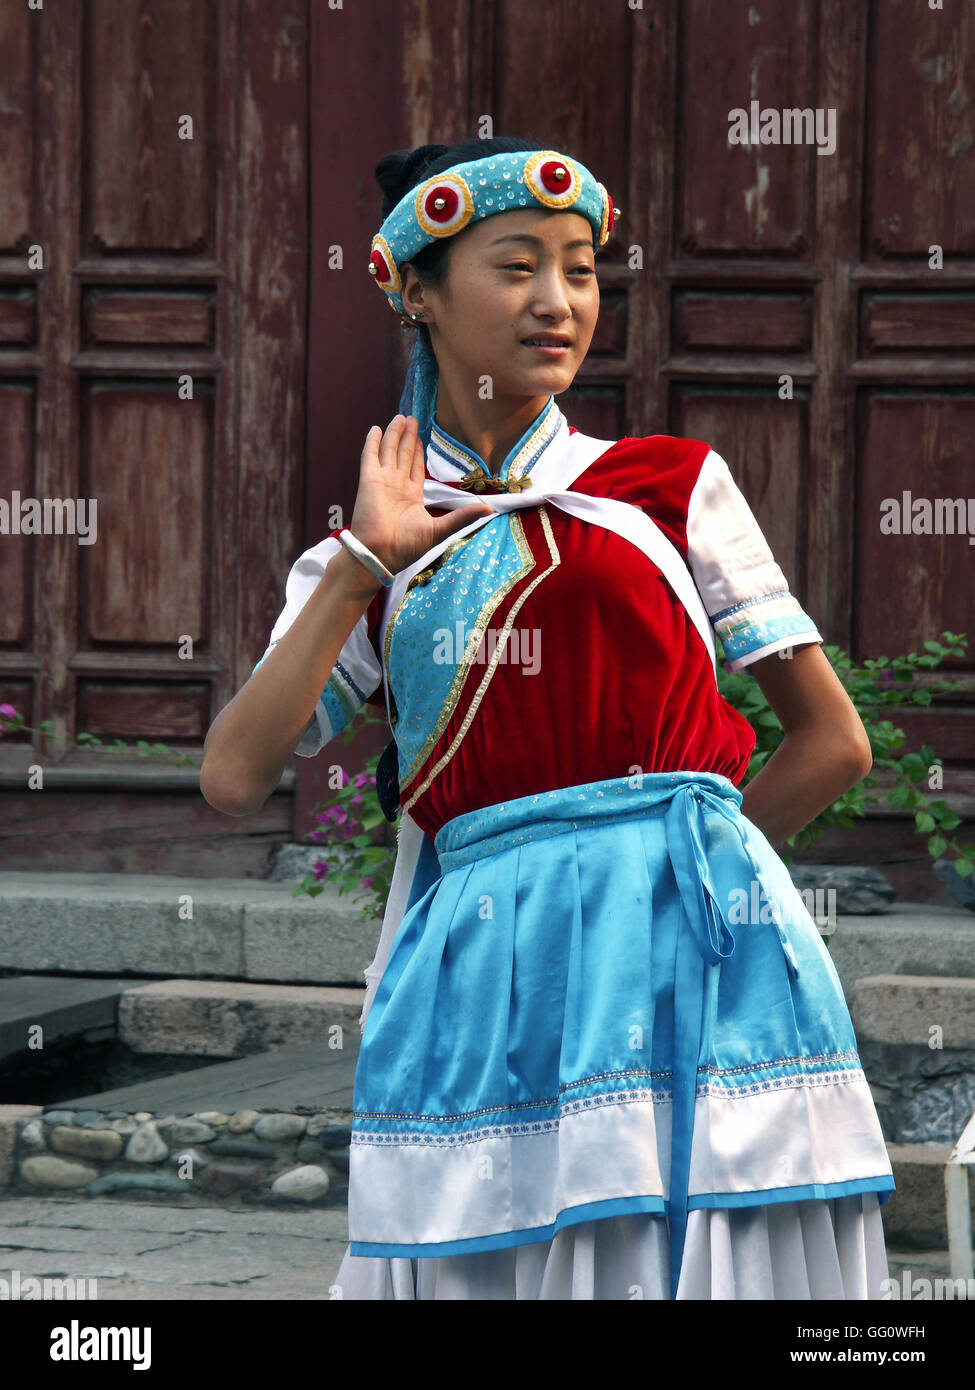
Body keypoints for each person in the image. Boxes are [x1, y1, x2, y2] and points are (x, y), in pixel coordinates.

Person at [201, 136, 895, 1300]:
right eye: (516, 267)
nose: (558, 302)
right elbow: (235, 773)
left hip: (695, 961)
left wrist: (685, 880)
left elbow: (833, 741)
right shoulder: (370, 555)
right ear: (415, 292)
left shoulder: (665, 487)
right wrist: (363, 565)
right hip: (482, 969)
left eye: (579, 270)